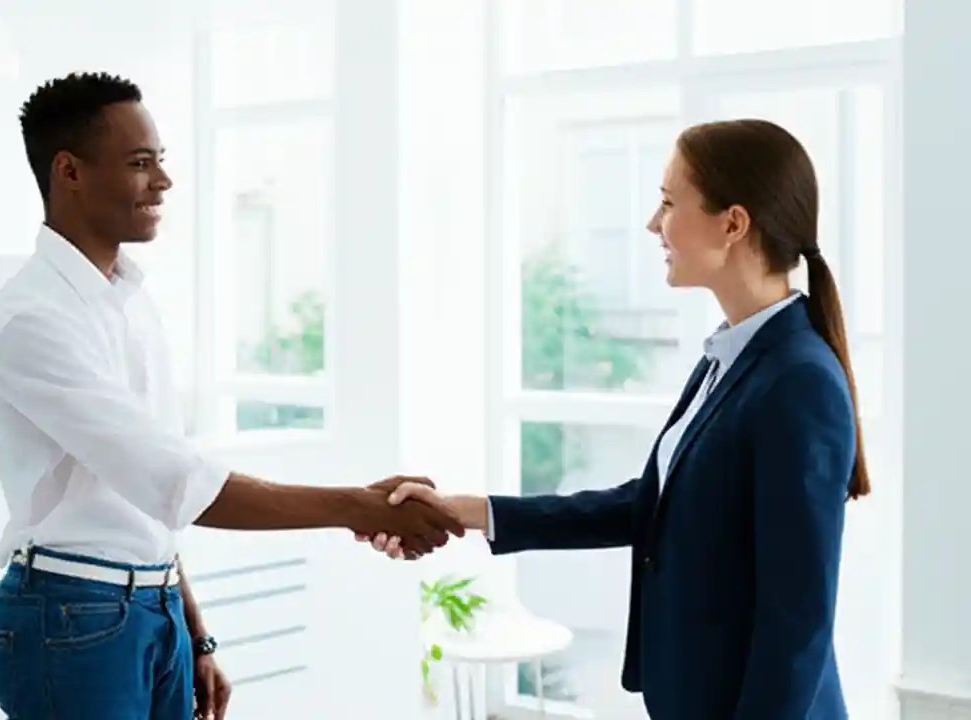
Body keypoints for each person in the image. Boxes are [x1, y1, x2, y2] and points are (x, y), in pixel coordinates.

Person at [0, 72, 461, 720]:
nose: (163, 181)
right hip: (71, 620)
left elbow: (148, 504)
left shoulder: (127, 301)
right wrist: (359, 506)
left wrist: (191, 629)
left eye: (160, 161)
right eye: (140, 163)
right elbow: (175, 482)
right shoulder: (31, 320)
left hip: (150, 608)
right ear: (69, 172)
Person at [366, 119, 867, 719]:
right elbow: (653, 505)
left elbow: (798, 617)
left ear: (733, 223)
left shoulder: (797, 379)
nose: (654, 224)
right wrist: (470, 511)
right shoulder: (732, 356)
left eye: (668, 203)